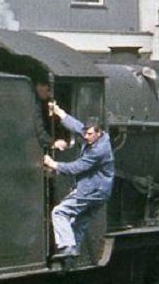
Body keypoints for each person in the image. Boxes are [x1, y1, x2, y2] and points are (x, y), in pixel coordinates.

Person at [40, 101, 114, 264]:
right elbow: (77, 126)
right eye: (85, 134)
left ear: (99, 133)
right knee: (79, 223)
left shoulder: (99, 151)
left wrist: (53, 164)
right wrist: (59, 112)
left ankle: (68, 248)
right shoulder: (93, 136)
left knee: (59, 213)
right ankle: (71, 259)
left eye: (89, 135)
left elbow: (77, 167)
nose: (85, 137)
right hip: (101, 192)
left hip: (92, 191)